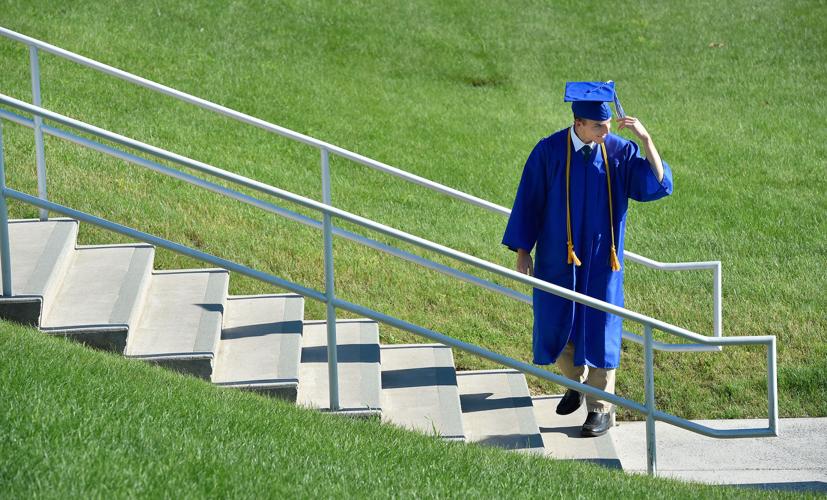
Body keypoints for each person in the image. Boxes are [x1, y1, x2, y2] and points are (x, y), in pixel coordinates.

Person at [502, 81, 673, 437]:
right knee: (556, 323)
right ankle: (575, 383)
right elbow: (529, 201)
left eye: (607, 125)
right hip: (557, 257)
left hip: (602, 262)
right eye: (598, 127)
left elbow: (657, 183)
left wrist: (646, 140)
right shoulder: (549, 151)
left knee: (601, 328)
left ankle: (600, 408)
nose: (605, 132)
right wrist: (523, 250)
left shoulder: (619, 152)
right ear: (578, 124)